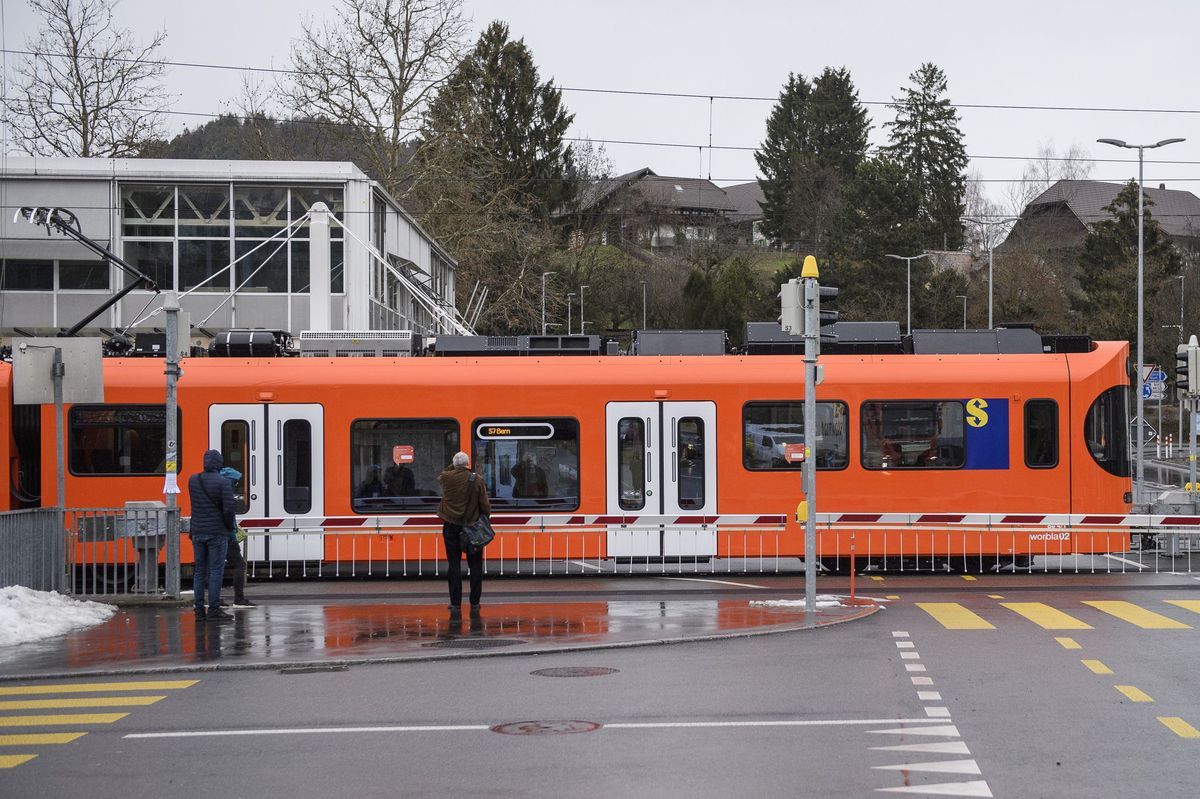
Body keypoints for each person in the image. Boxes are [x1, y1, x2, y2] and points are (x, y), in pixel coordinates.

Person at [437, 451, 491, 614]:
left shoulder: (446, 478)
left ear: (454, 464)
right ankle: (474, 602)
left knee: (453, 565)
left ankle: (455, 603)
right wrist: (483, 519)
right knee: (475, 566)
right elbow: (485, 505)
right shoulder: (477, 480)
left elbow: (443, 472)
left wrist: (455, 465)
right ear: (467, 464)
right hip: (473, 528)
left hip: (451, 527)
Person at [187, 449, 236, 622]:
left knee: (199, 571)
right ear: (219, 463)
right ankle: (214, 610)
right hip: (217, 533)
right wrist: (230, 529)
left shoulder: (193, 480)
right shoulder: (223, 482)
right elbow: (229, 510)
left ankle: (199, 611)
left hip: (198, 531)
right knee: (215, 571)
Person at [219, 466, 255, 609]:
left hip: (219, 534)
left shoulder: (217, 492)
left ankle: (213, 599)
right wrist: (233, 534)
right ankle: (239, 599)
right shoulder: (226, 495)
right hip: (227, 536)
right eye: (235, 482)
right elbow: (228, 518)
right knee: (240, 565)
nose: (237, 485)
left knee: (214, 567)